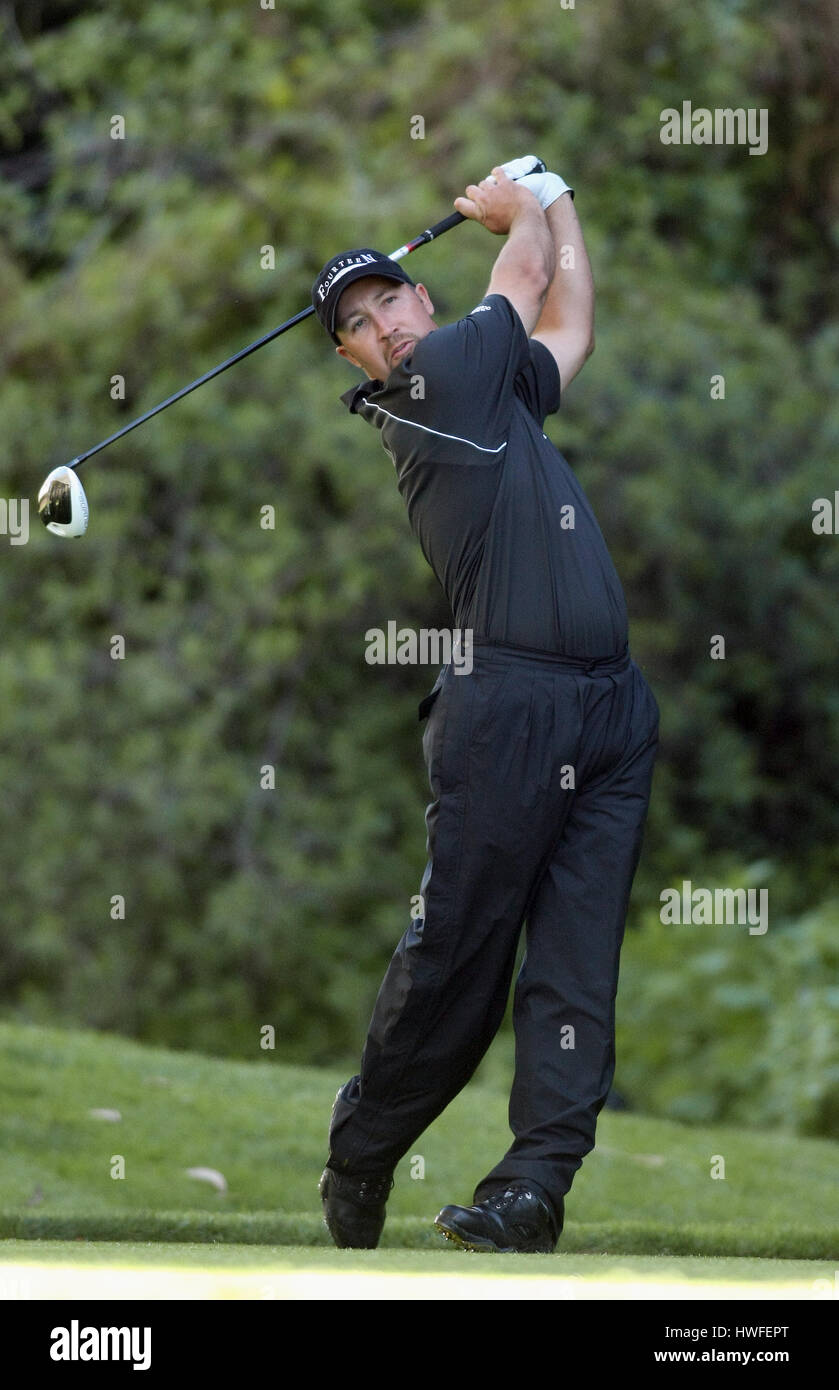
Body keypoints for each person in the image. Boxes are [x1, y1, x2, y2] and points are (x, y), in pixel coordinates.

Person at [310, 161, 660, 1254]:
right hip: (504, 709)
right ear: (355, 360)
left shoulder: (490, 382)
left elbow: (570, 323)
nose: (382, 330)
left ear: (420, 297)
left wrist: (556, 194)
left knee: (573, 959)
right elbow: (522, 273)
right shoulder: (431, 385)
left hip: (608, 713)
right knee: (459, 959)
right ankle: (363, 1149)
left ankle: (531, 1190)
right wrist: (520, 204)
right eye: (356, 328)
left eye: (387, 301)